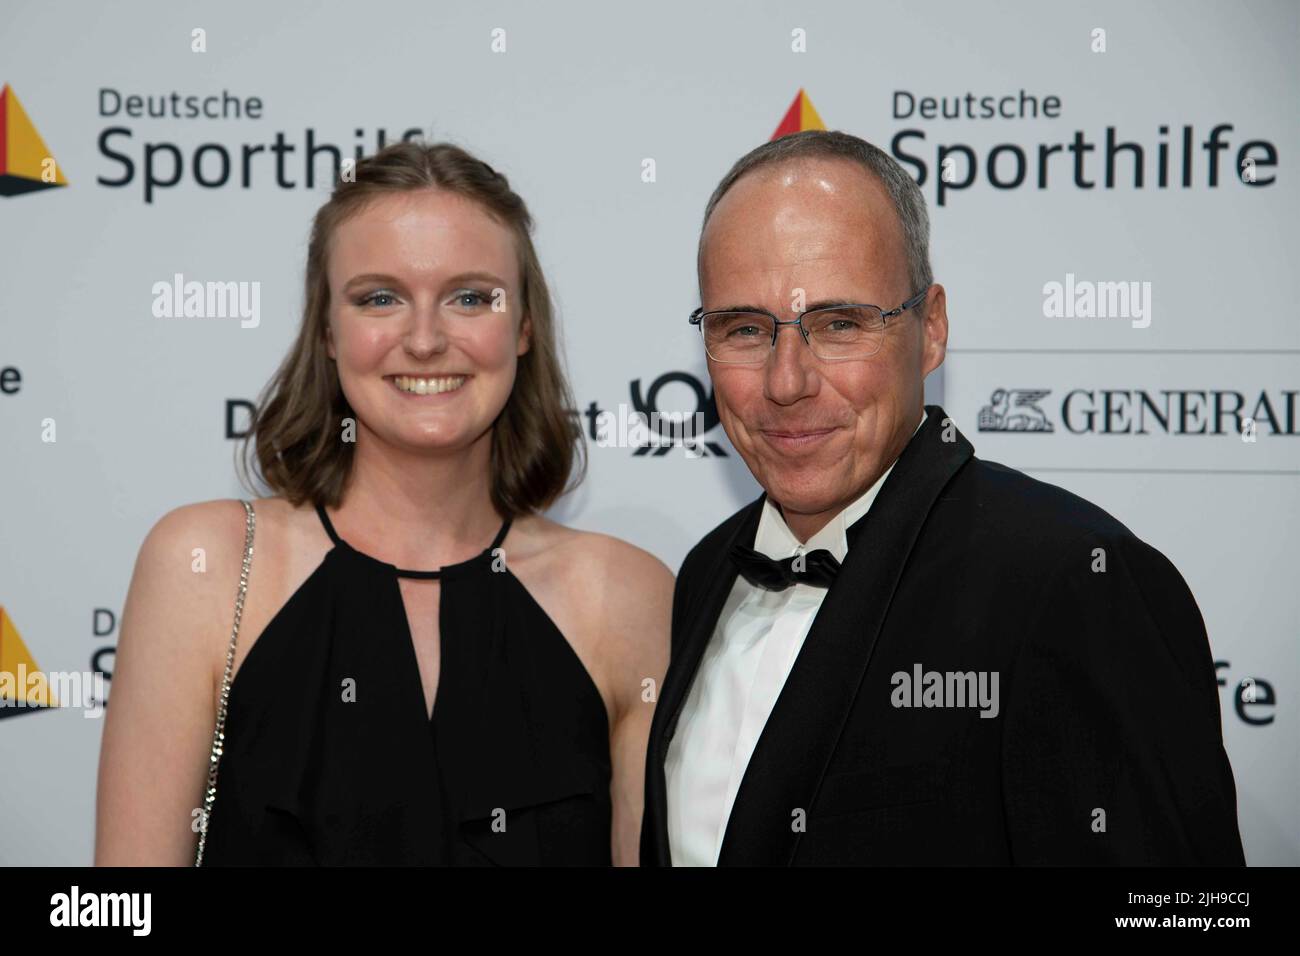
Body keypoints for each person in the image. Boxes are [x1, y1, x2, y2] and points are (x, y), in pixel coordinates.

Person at [640, 129, 1245, 866]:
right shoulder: (707, 571)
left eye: (838, 325)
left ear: (930, 330)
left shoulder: (1072, 582)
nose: (786, 382)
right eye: (744, 329)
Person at [96, 140, 671, 866]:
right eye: (379, 298)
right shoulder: (204, 568)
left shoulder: (624, 597)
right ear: (329, 332)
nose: (426, 340)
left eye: (471, 297)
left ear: (523, 327)